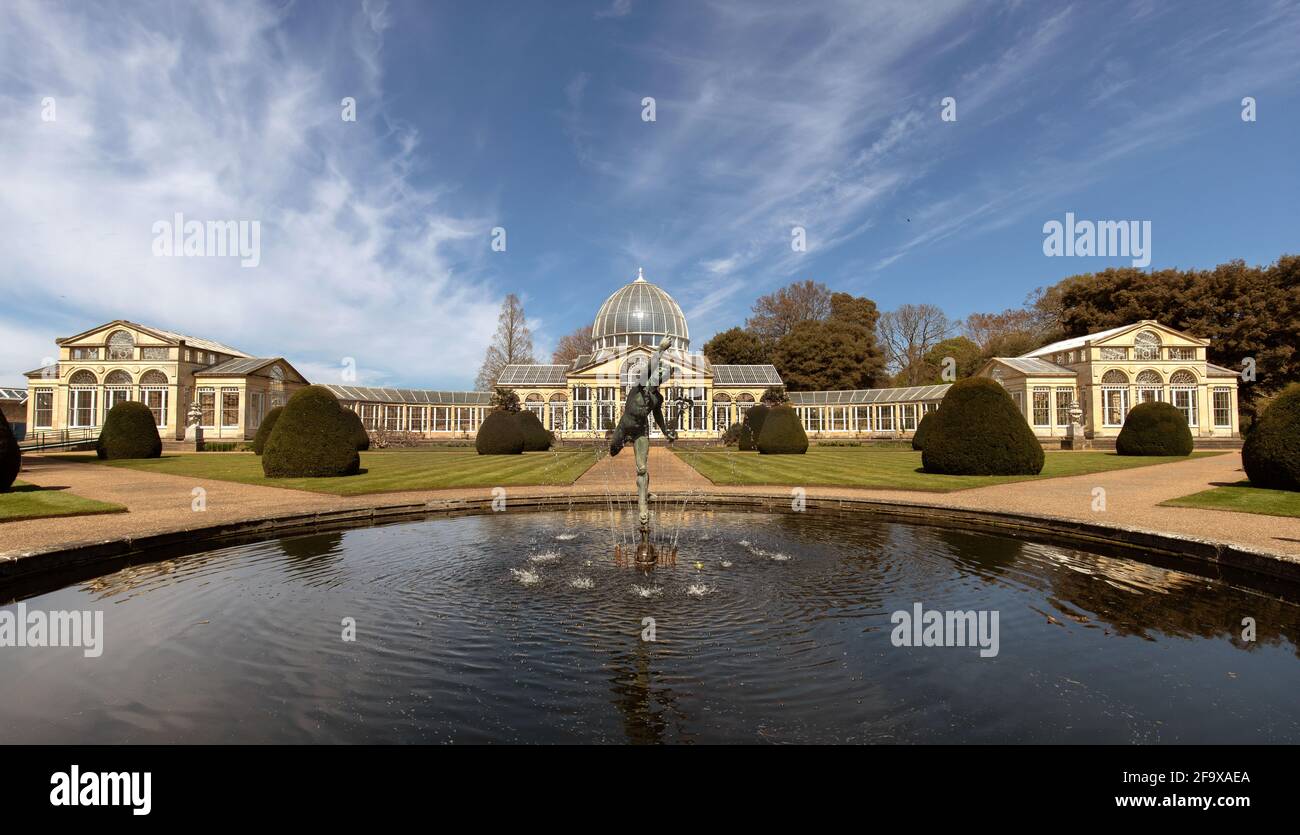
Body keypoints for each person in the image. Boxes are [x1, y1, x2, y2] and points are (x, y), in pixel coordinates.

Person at [609, 336, 678, 531]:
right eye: (661, 372)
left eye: (665, 375)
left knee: (642, 468)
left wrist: (666, 433)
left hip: (641, 430)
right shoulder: (639, 385)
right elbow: (651, 364)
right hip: (624, 428)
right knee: (612, 451)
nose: (662, 376)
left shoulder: (658, 398)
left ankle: (642, 505)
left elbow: (658, 416)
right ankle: (644, 493)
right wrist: (661, 349)